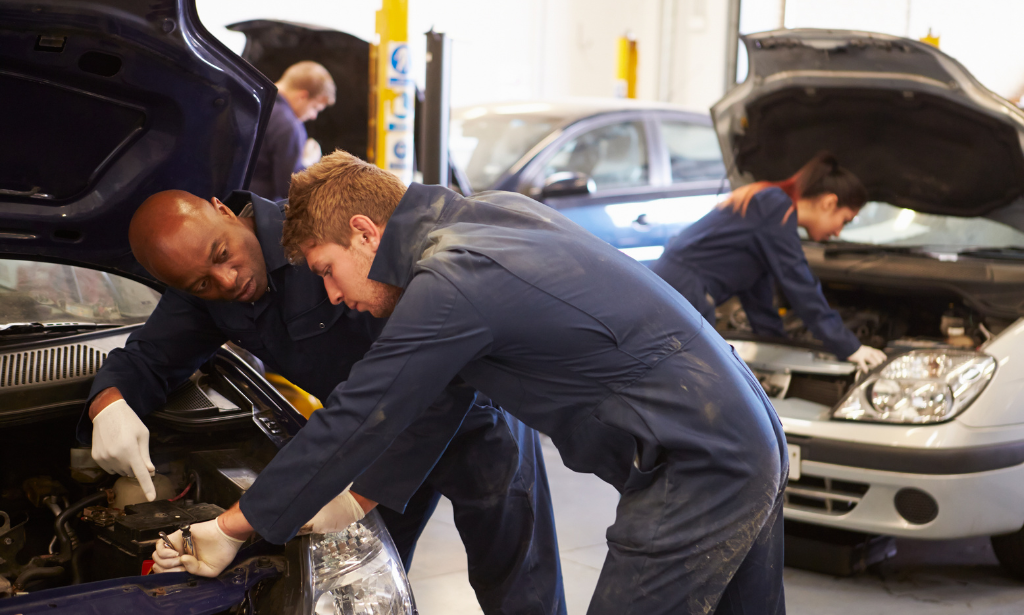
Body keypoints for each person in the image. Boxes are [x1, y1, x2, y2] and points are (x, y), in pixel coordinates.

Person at [153, 150, 788, 615]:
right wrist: (356, 496)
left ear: (365, 232)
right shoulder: (489, 217)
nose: (333, 295)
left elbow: (359, 413)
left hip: (699, 461)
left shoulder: (451, 282)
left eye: (327, 270)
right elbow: (429, 395)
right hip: (742, 430)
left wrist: (232, 526)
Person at [85, 189, 565, 614]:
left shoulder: (319, 234)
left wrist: (356, 496)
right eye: (202, 283)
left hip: (472, 419)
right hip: (367, 438)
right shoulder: (203, 291)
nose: (226, 281)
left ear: (222, 210)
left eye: (222, 254)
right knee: (355, 589)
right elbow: (149, 357)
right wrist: (108, 403)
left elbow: (439, 374)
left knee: (518, 588)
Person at [650, 152, 887, 372]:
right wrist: (849, 346)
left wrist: (779, 345)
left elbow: (757, 296)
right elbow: (799, 282)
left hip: (675, 290)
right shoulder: (775, 207)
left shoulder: (769, 209)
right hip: (681, 293)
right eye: (845, 220)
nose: (838, 232)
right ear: (828, 203)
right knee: (690, 376)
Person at [249, 61, 335, 201]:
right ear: (302, 96)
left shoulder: (252, 101)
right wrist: (308, 162)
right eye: (315, 108)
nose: (313, 116)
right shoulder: (289, 125)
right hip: (251, 210)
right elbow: (290, 188)